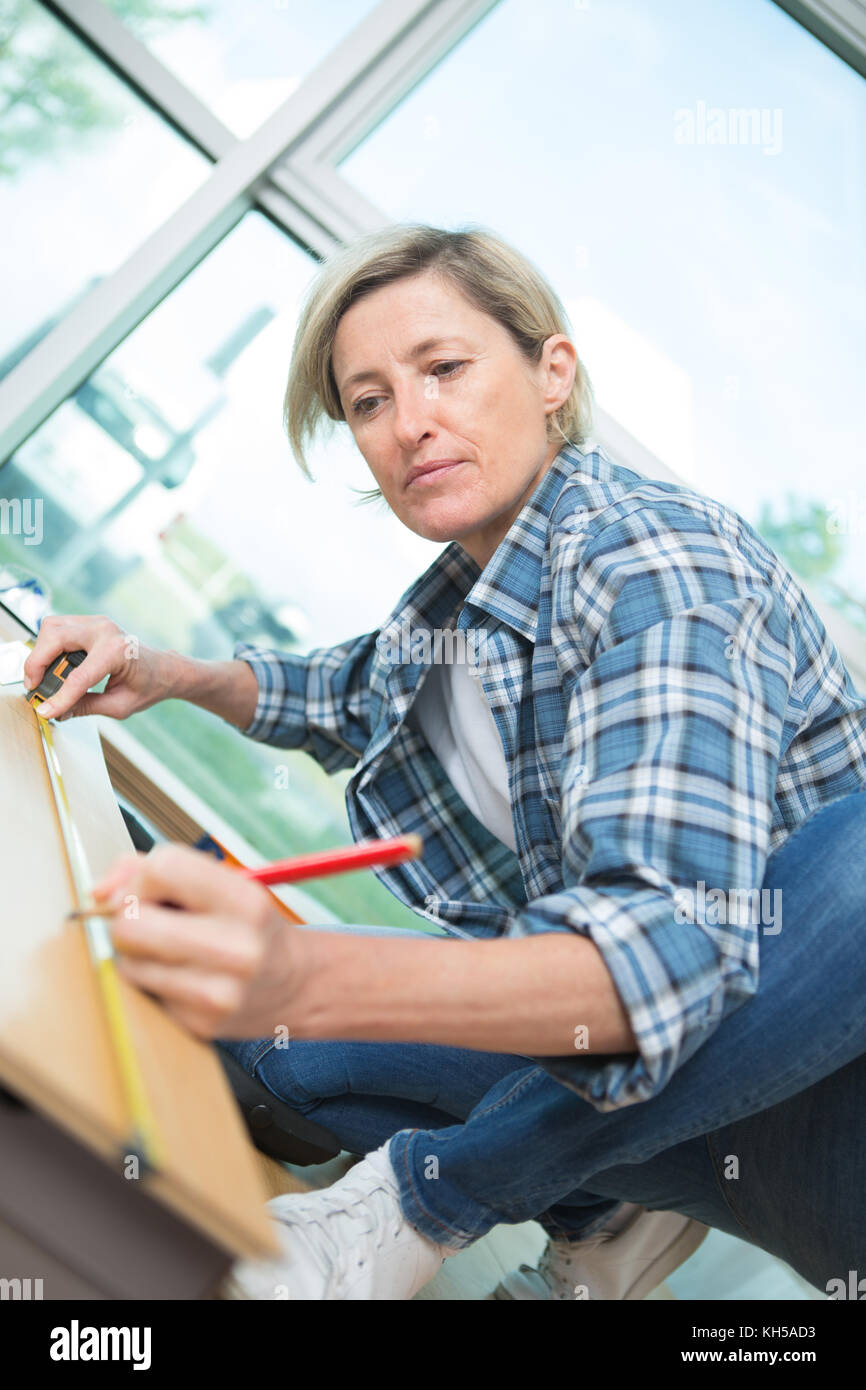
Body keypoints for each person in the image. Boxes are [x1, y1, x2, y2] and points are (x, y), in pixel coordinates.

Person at [25, 224, 866, 1302]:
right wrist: (167, 671)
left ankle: (425, 1199)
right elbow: (335, 694)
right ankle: (598, 1202)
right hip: (642, 1105)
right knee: (278, 1058)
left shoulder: (654, 561)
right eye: (367, 401)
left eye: (443, 369)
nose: (409, 423)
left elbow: (663, 952)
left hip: (813, 1118)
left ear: (550, 373)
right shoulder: (462, 601)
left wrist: (305, 973)